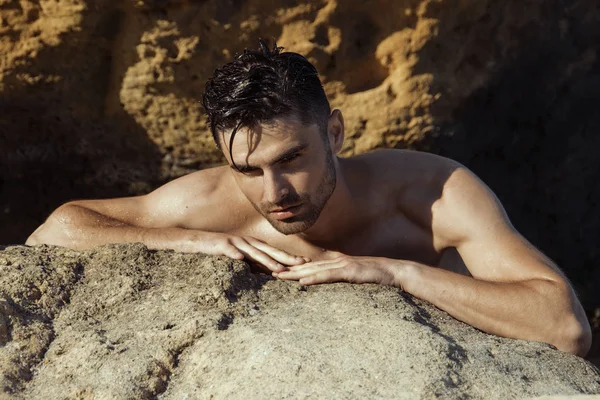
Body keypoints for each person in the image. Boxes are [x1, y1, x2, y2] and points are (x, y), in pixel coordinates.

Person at [26, 41, 591, 356]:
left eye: (291, 159)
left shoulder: (433, 191)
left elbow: (565, 326)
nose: (274, 194)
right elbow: (56, 229)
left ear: (336, 134)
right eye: (248, 169)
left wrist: (399, 274)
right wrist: (190, 242)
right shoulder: (215, 203)